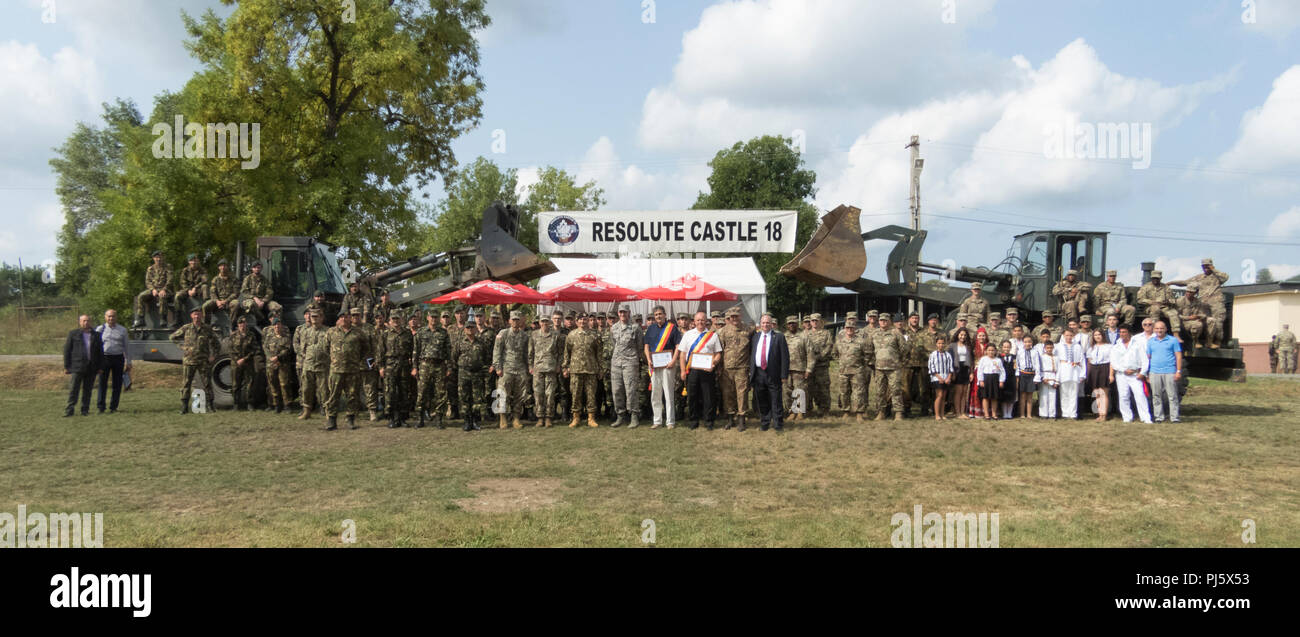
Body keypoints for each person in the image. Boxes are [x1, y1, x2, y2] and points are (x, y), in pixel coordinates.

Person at [678, 310, 722, 430]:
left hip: (707, 370)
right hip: (692, 370)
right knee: (692, 396)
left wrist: (713, 363)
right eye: (698, 320)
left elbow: (718, 354)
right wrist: (682, 371)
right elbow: (682, 354)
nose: (700, 322)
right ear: (694, 321)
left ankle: (709, 421)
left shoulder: (713, 335)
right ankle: (694, 420)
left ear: (706, 321)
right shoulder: (688, 335)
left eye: (702, 320)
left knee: (708, 397)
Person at [1171, 259, 1228, 348]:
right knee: (1204, 323)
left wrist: (1214, 269)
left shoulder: (1217, 276)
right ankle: (1205, 341)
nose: (1206, 268)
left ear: (1211, 266)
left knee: (1218, 324)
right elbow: (1184, 282)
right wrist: (1171, 283)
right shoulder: (1199, 278)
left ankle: (1217, 342)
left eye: (1208, 266)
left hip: (1216, 305)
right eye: (1204, 266)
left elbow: (1225, 278)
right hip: (1203, 305)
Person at [325, 310, 367, 430]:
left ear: (350, 318)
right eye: (341, 317)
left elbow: (365, 348)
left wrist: (357, 359)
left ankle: (350, 419)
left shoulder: (358, 332)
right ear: (339, 319)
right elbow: (325, 347)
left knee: (352, 396)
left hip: (352, 370)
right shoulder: (331, 332)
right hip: (336, 370)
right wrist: (334, 359)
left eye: (346, 316)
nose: (344, 319)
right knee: (333, 396)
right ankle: (331, 420)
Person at [171, 308, 218, 414]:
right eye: (195, 314)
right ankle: (184, 407)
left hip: (203, 361)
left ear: (202, 316)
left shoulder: (207, 328)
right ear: (191, 316)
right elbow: (173, 337)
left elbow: (216, 343)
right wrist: (183, 347)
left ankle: (210, 406)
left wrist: (213, 356)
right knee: (186, 384)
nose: (197, 316)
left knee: (207, 383)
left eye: (199, 314)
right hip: (189, 361)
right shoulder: (186, 328)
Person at [642, 305, 681, 429]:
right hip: (654, 365)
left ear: (665, 315)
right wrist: (648, 360)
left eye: (660, 314)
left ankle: (670, 421)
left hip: (668, 365)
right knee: (655, 393)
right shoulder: (650, 329)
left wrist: (674, 361)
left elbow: (678, 346)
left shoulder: (672, 328)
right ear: (654, 316)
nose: (658, 316)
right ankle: (657, 420)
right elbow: (646, 346)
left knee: (668, 393)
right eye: (656, 314)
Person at [749, 313, 790, 432]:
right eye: (763, 322)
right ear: (760, 324)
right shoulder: (755, 337)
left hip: (774, 373)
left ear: (772, 324)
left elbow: (785, 357)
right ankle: (765, 422)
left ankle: (778, 423)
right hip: (759, 373)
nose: (765, 325)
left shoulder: (779, 337)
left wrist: (784, 375)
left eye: (768, 322)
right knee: (762, 400)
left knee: (776, 399)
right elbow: (752, 355)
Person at [492, 310, 531, 429]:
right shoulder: (503, 333)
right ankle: (502, 417)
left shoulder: (524, 336)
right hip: (506, 369)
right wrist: (498, 367)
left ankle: (516, 418)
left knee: (520, 395)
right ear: (509, 321)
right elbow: (497, 351)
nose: (515, 322)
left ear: (520, 321)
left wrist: (528, 368)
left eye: (517, 320)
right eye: (513, 320)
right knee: (502, 394)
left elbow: (526, 354)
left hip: (520, 369)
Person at [717, 307, 754, 430]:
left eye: (736, 316)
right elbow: (720, 350)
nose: (734, 318)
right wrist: (719, 367)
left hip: (742, 368)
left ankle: (742, 419)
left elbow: (752, 349)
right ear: (729, 317)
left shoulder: (748, 330)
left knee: (742, 394)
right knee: (728, 394)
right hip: (727, 368)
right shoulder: (723, 331)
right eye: (732, 316)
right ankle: (730, 419)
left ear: (740, 316)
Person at [563, 313, 602, 428]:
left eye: (585, 319)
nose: (582, 321)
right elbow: (567, 353)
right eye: (580, 319)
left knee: (591, 395)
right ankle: (576, 418)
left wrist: (601, 369)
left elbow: (599, 353)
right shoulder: (571, 335)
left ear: (588, 321)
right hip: (575, 370)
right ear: (576, 321)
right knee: (575, 395)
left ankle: (591, 418)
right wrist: (565, 367)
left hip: (591, 369)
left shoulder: (595, 335)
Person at [608, 306, 645, 428]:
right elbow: (614, 344)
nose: (622, 314)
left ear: (629, 313)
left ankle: (634, 415)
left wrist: (635, 359)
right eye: (621, 312)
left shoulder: (635, 328)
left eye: (625, 312)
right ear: (618, 313)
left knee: (631, 390)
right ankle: (620, 416)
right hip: (616, 363)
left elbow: (640, 347)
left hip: (630, 362)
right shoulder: (614, 328)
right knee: (617, 390)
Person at [63, 314, 104, 417]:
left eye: (88, 321)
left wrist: (100, 367)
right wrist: (66, 366)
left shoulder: (97, 335)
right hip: (77, 366)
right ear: (80, 322)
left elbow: (100, 352)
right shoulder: (73, 334)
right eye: (84, 321)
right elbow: (67, 350)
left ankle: (85, 410)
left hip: (91, 367)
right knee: (74, 389)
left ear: (91, 322)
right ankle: (69, 410)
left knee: (88, 390)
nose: (86, 323)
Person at [1110, 326, 1152, 423]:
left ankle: (1145, 417)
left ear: (1129, 333)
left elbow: (1145, 360)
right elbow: (1113, 362)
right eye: (1120, 332)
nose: (1122, 334)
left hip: (1135, 374)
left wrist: (1142, 373)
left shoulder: (1137, 345)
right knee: (1123, 396)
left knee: (1140, 395)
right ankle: (1127, 417)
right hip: (1121, 374)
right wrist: (1123, 370)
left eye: (1124, 332)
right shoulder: (1116, 346)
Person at [869, 313, 907, 421]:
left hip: (893, 368)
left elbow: (904, 348)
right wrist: (873, 362)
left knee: (896, 390)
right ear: (879, 321)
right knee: (880, 391)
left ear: (889, 321)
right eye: (881, 320)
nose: (883, 322)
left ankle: (898, 413)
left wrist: (898, 360)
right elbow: (869, 349)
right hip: (879, 368)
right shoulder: (874, 333)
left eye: (885, 320)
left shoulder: (896, 333)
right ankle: (881, 413)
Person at [528, 315, 563, 428]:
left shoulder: (555, 335)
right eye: (542, 321)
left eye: (546, 322)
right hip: (538, 369)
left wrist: (558, 365)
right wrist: (530, 366)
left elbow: (560, 353)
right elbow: (530, 352)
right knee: (538, 394)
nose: (544, 323)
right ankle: (540, 417)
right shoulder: (533, 335)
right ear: (539, 322)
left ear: (549, 323)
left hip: (551, 368)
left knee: (550, 394)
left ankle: (548, 417)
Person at [94, 309, 131, 414]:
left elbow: (126, 347)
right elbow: (95, 347)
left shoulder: (122, 330)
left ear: (116, 317)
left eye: (113, 316)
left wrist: (128, 362)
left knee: (117, 384)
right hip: (104, 358)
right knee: (102, 383)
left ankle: (113, 407)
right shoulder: (100, 329)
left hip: (118, 358)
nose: (111, 318)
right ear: (105, 317)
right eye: (109, 316)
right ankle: (101, 407)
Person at [1146, 320, 1183, 423]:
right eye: (1157, 328)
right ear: (1154, 330)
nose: (1159, 330)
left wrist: (1178, 371)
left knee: (1172, 395)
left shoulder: (1173, 340)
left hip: (1170, 371)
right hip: (1154, 372)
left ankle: (1174, 417)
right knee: (1156, 395)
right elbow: (1148, 357)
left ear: (1166, 329)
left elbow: (1178, 356)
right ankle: (1159, 417)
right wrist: (1147, 373)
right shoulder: (1151, 341)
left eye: (1161, 328)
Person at [297, 310, 330, 420]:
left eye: (317, 316)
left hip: (322, 365)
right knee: (306, 389)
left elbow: (331, 348)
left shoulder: (328, 331)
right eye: (312, 316)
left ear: (322, 318)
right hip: (309, 364)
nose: (314, 319)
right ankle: (307, 411)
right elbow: (303, 348)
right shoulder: (305, 332)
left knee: (324, 390)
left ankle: (327, 411)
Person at [832, 319, 866, 422]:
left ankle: (859, 413)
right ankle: (846, 411)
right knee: (844, 392)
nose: (849, 329)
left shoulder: (861, 341)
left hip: (857, 371)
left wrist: (860, 365)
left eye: (851, 328)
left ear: (855, 329)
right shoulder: (839, 341)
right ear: (844, 329)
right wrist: (841, 362)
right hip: (843, 371)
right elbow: (834, 354)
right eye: (847, 328)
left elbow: (866, 355)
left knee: (858, 393)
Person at [803, 313, 834, 418]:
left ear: (821, 321)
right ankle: (808, 409)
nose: (814, 322)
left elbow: (829, 347)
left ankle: (824, 409)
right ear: (810, 322)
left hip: (821, 366)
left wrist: (817, 357)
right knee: (809, 388)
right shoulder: (805, 334)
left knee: (823, 388)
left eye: (816, 320)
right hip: (809, 367)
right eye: (812, 321)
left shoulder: (826, 333)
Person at [133, 250, 174, 328]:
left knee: (162, 297)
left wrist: (164, 289)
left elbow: (170, 280)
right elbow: (148, 281)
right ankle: (141, 319)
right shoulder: (150, 269)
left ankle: (163, 318)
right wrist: (152, 290)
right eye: (157, 257)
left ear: (163, 257)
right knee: (141, 296)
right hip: (154, 290)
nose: (158, 259)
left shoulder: (168, 267)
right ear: (153, 258)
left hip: (166, 290)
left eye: (160, 257)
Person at [262, 317, 294, 413]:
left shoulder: (285, 337)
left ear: (281, 326)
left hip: (282, 364)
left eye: (278, 324)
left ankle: (287, 405)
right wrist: (271, 358)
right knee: (273, 384)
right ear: (273, 326)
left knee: (284, 384)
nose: (277, 326)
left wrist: (278, 357)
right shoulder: (269, 337)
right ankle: (276, 405)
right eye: (275, 325)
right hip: (271, 364)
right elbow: (265, 348)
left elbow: (287, 349)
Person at [228, 316, 260, 411]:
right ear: (238, 325)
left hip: (248, 363)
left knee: (249, 383)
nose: (242, 325)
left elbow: (255, 349)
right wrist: (237, 359)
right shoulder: (233, 335)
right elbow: (230, 349)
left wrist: (245, 359)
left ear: (246, 324)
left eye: (244, 323)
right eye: (240, 323)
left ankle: (249, 403)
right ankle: (236, 404)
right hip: (236, 363)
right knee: (235, 384)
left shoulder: (251, 335)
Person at [1136, 271, 1180, 336]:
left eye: (1157, 278)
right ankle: (1155, 332)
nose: (1155, 280)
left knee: (1173, 313)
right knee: (1155, 309)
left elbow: (1173, 300)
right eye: (1154, 278)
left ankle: (1176, 334)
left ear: (1160, 278)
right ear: (1151, 278)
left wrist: (1167, 301)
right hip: (1150, 307)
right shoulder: (1145, 287)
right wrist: (1151, 302)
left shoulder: (1166, 288)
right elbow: (1140, 299)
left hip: (1164, 307)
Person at [239, 260, 282, 324]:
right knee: (251, 305)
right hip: (251, 299)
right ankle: (262, 319)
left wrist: (263, 301)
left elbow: (270, 292)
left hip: (263, 301)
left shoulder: (264, 279)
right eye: (255, 267)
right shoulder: (247, 279)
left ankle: (277, 325)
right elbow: (244, 291)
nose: (257, 269)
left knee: (277, 307)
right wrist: (255, 298)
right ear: (252, 268)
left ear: (261, 268)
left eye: (259, 267)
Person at [1056, 328, 1086, 419]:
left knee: (1073, 393)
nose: (1069, 337)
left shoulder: (1077, 346)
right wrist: (1057, 375)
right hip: (1063, 370)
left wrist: (1082, 374)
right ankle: (1065, 413)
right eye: (1067, 335)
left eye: (1070, 335)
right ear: (1063, 336)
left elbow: (1082, 360)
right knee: (1064, 393)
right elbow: (1056, 361)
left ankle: (1073, 413)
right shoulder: (1058, 346)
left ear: (1073, 336)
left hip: (1075, 370)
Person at [782, 316, 807, 420]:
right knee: (787, 391)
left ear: (797, 324)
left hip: (799, 368)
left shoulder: (804, 336)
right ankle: (791, 411)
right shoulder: (783, 336)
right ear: (787, 325)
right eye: (789, 323)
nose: (791, 325)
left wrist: (809, 369)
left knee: (799, 391)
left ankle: (800, 412)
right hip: (786, 369)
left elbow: (810, 354)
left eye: (793, 323)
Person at [203, 259, 240, 326]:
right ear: (219, 267)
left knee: (236, 304)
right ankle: (206, 326)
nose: (223, 267)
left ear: (228, 267)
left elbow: (236, 293)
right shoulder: (215, 279)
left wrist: (226, 301)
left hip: (229, 301)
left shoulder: (234, 279)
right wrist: (218, 302)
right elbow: (212, 292)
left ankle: (232, 325)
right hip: (217, 301)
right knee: (205, 306)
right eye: (221, 266)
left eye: (224, 266)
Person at [1085, 330, 1113, 421]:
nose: (1097, 336)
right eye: (1095, 335)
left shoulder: (1109, 347)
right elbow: (1089, 362)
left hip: (1104, 368)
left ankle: (1104, 414)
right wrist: (1088, 374)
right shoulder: (1091, 348)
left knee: (1103, 393)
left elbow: (1112, 362)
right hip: (1093, 369)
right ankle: (1100, 413)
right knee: (1097, 394)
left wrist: (1111, 374)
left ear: (1103, 336)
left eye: (1099, 334)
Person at [174, 254, 208, 325]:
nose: (194, 262)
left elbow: (204, 280)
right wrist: (188, 290)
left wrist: (195, 288)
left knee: (205, 287)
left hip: (198, 289)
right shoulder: (185, 270)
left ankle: (206, 313)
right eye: (192, 261)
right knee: (177, 296)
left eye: (195, 260)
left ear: (198, 261)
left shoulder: (202, 270)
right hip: (187, 290)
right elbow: (182, 282)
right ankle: (178, 318)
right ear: (189, 262)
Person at [927, 335, 954, 421]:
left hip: (946, 378)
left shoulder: (948, 355)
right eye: (939, 343)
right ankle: (937, 415)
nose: (941, 345)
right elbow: (931, 368)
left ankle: (943, 414)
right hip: (937, 378)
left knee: (944, 397)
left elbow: (950, 367)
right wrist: (939, 378)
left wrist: (948, 378)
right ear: (936, 344)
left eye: (942, 343)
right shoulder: (933, 355)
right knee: (939, 395)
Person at [976, 344, 1005, 420]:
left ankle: (994, 414)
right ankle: (986, 414)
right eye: (989, 350)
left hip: (995, 379)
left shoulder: (998, 360)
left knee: (994, 398)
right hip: (986, 379)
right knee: (985, 397)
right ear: (986, 351)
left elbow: (1002, 371)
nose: (991, 352)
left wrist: (1001, 381)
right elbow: (980, 370)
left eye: (992, 350)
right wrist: (981, 380)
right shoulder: (983, 359)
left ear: (995, 351)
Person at [948, 328, 972, 418]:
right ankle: (957, 412)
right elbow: (950, 360)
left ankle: (963, 412)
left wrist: (971, 372)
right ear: (958, 335)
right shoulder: (952, 346)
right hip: (957, 369)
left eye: (965, 335)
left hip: (966, 369)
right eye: (961, 335)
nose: (963, 337)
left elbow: (971, 360)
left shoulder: (968, 346)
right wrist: (952, 372)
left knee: (965, 392)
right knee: (958, 392)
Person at [966, 328, 991, 418]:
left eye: (983, 335)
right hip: (976, 371)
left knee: (986, 390)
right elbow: (971, 361)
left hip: (987, 371)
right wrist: (971, 372)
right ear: (977, 337)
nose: (981, 337)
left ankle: (986, 411)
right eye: (980, 335)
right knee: (975, 390)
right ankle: (975, 411)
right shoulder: (973, 347)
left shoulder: (988, 346)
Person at [1014, 335, 1039, 420]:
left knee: (1030, 396)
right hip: (1023, 374)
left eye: (1029, 342)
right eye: (1025, 342)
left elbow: (1037, 364)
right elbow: (1017, 364)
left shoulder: (1035, 352)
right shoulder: (1020, 352)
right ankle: (1022, 414)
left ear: (1032, 343)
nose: (1027, 343)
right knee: (1023, 395)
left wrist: (1037, 376)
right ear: (1023, 342)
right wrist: (1017, 376)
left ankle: (1029, 414)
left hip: (1031, 374)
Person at [997, 341, 1017, 419]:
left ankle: (1010, 413)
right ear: (1002, 348)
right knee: (1004, 396)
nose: (1006, 349)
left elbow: (1016, 368)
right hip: (1003, 379)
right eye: (1005, 347)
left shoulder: (1014, 357)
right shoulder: (999, 357)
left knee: (1011, 396)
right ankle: (1005, 413)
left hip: (1012, 379)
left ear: (1010, 348)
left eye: (1008, 347)